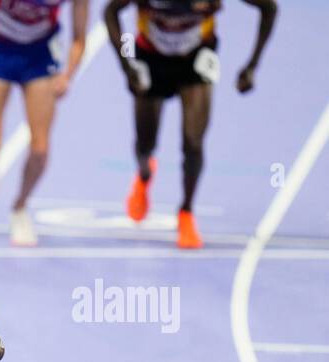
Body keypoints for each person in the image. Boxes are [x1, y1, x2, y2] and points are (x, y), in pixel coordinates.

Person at [104, 0, 277, 249]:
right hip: (151, 58)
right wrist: (127, 64)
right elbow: (111, 12)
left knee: (193, 141)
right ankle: (144, 174)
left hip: (197, 58)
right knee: (145, 142)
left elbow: (268, 8)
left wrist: (252, 66)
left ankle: (186, 211)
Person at [0, 0, 89, 246]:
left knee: (40, 148)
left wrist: (68, 75)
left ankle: (20, 207)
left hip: (39, 54)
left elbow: (80, 39)